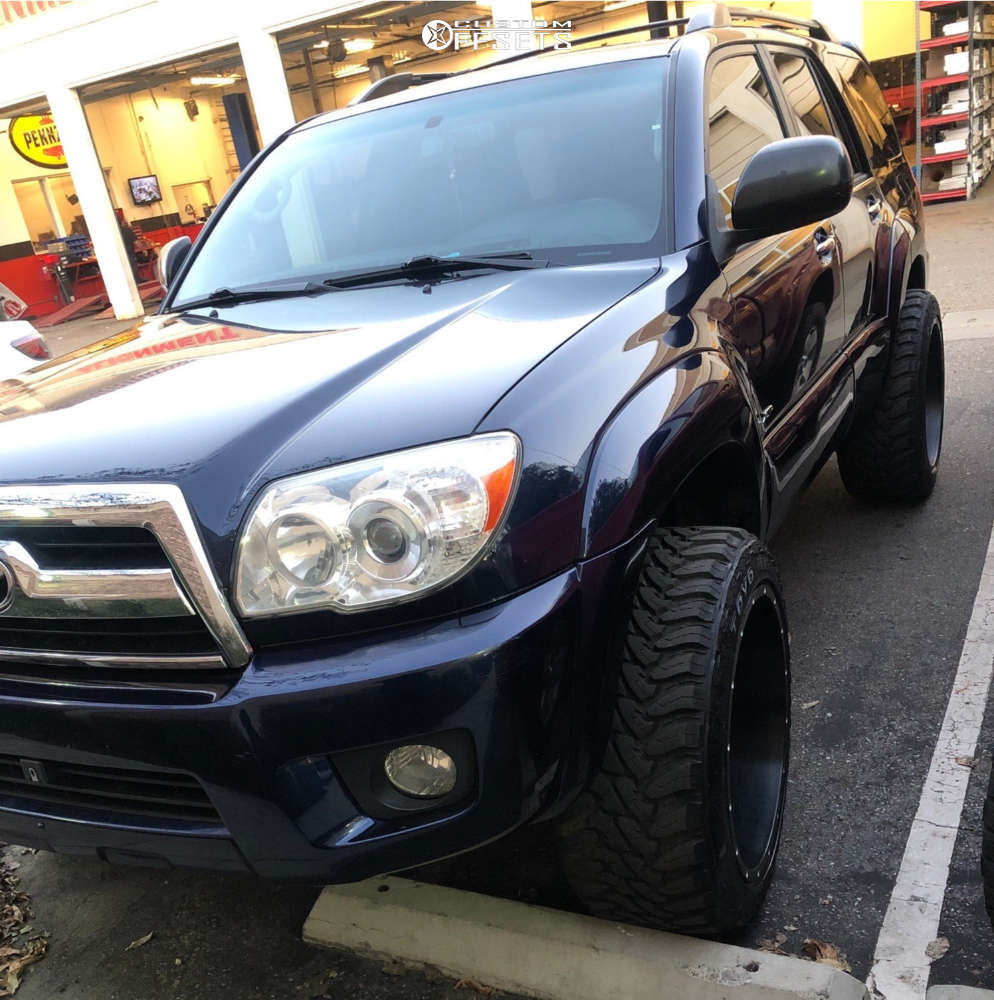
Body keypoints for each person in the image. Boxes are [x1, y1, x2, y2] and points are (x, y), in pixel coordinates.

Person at [115, 208, 140, 285]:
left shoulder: (112, 233)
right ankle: (137, 283)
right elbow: (137, 242)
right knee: (133, 271)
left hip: (118, 256)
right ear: (121, 221)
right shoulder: (127, 230)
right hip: (129, 253)